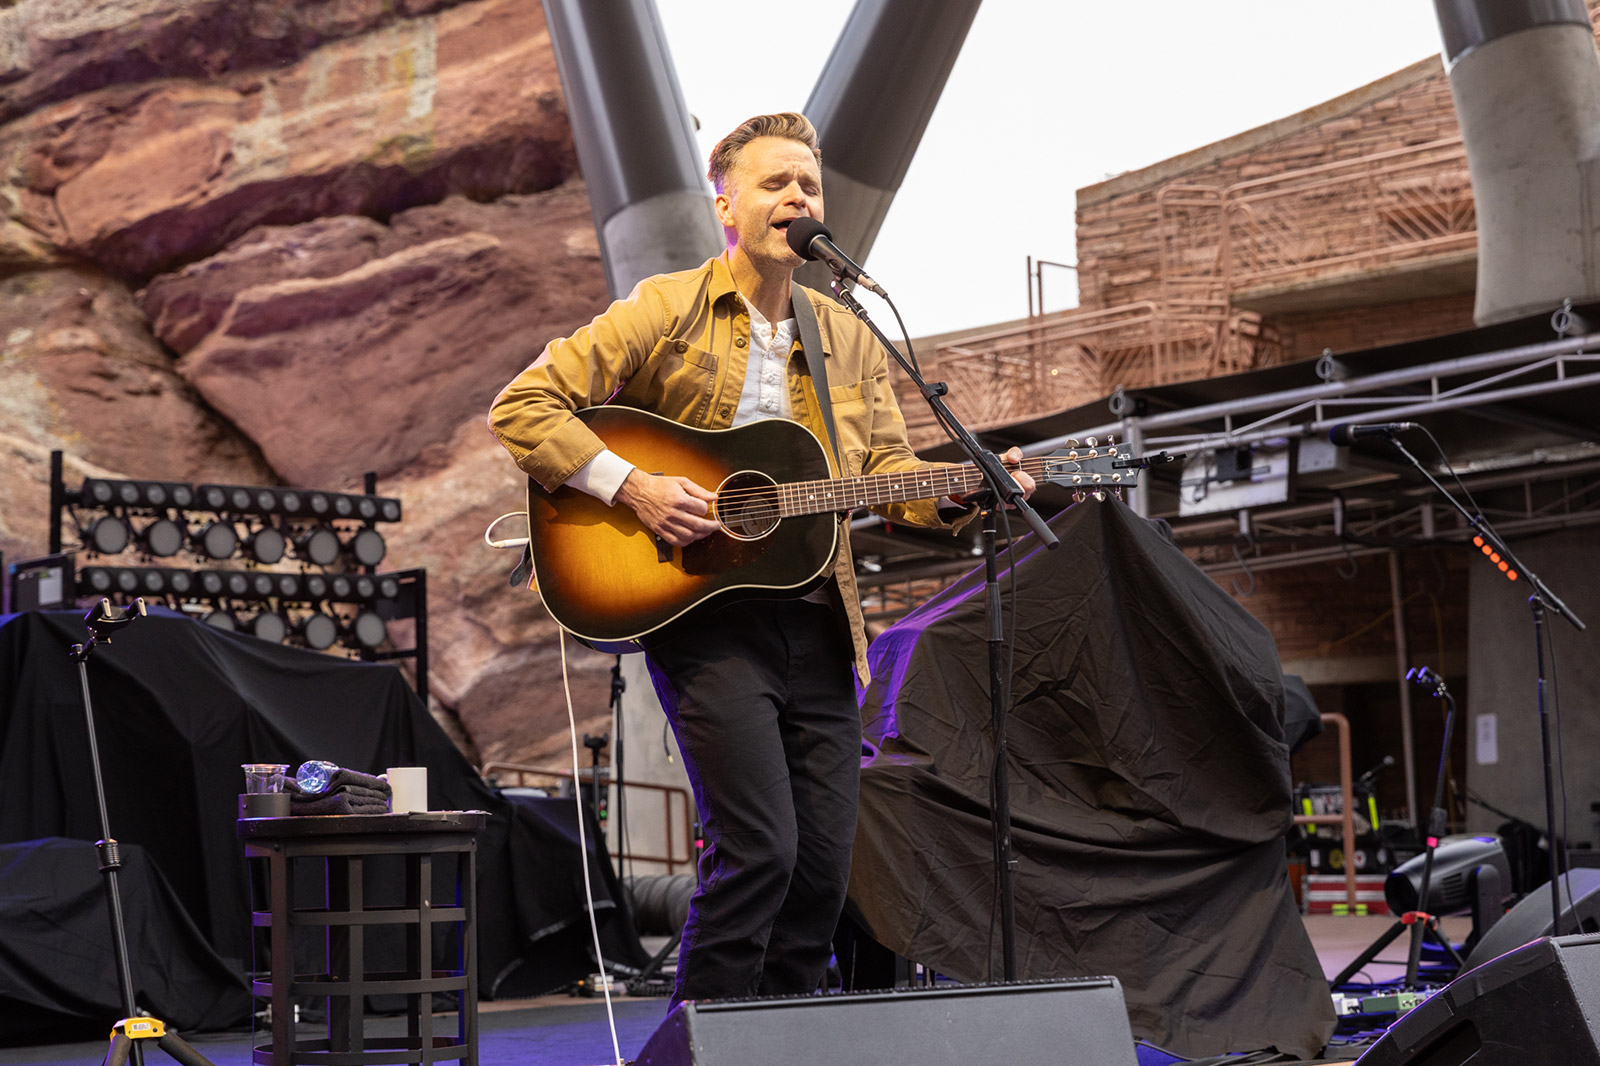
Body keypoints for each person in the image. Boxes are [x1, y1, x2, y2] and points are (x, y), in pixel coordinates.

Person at [488, 112, 1033, 1004]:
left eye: (809, 185)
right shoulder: (667, 307)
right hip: (703, 616)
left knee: (821, 868)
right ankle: (701, 1044)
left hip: (819, 619)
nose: (797, 198)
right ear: (727, 203)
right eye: (776, 183)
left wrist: (967, 485)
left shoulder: (850, 333)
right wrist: (633, 487)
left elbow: (886, 474)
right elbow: (525, 405)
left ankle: (788, 1043)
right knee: (759, 853)